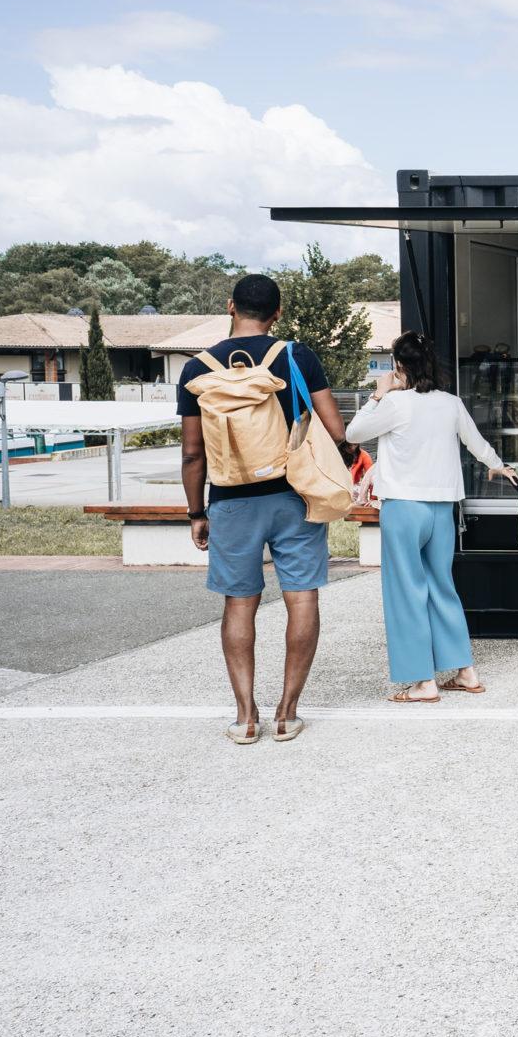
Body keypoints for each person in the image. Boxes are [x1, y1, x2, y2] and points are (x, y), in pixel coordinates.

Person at [179, 274, 359, 745]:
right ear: (276, 313)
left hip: (231, 503)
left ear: (230, 306)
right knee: (302, 598)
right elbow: (335, 428)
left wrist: (197, 512)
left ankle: (245, 716)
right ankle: (287, 713)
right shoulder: (294, 356)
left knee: (239, 603)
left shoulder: (196, 369)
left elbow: (193, 453)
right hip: (294, 494)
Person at [345, 332, 516, 703]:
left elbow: (353, 433)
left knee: (406, 592)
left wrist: (378, 393)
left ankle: (423, 682)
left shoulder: (395, 404)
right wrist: (500, 467)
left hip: (404, 508)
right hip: (443, 508)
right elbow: (476, 443)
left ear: (398, 365)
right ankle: (466, 671)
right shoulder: (450, 403)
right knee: (442, 586)